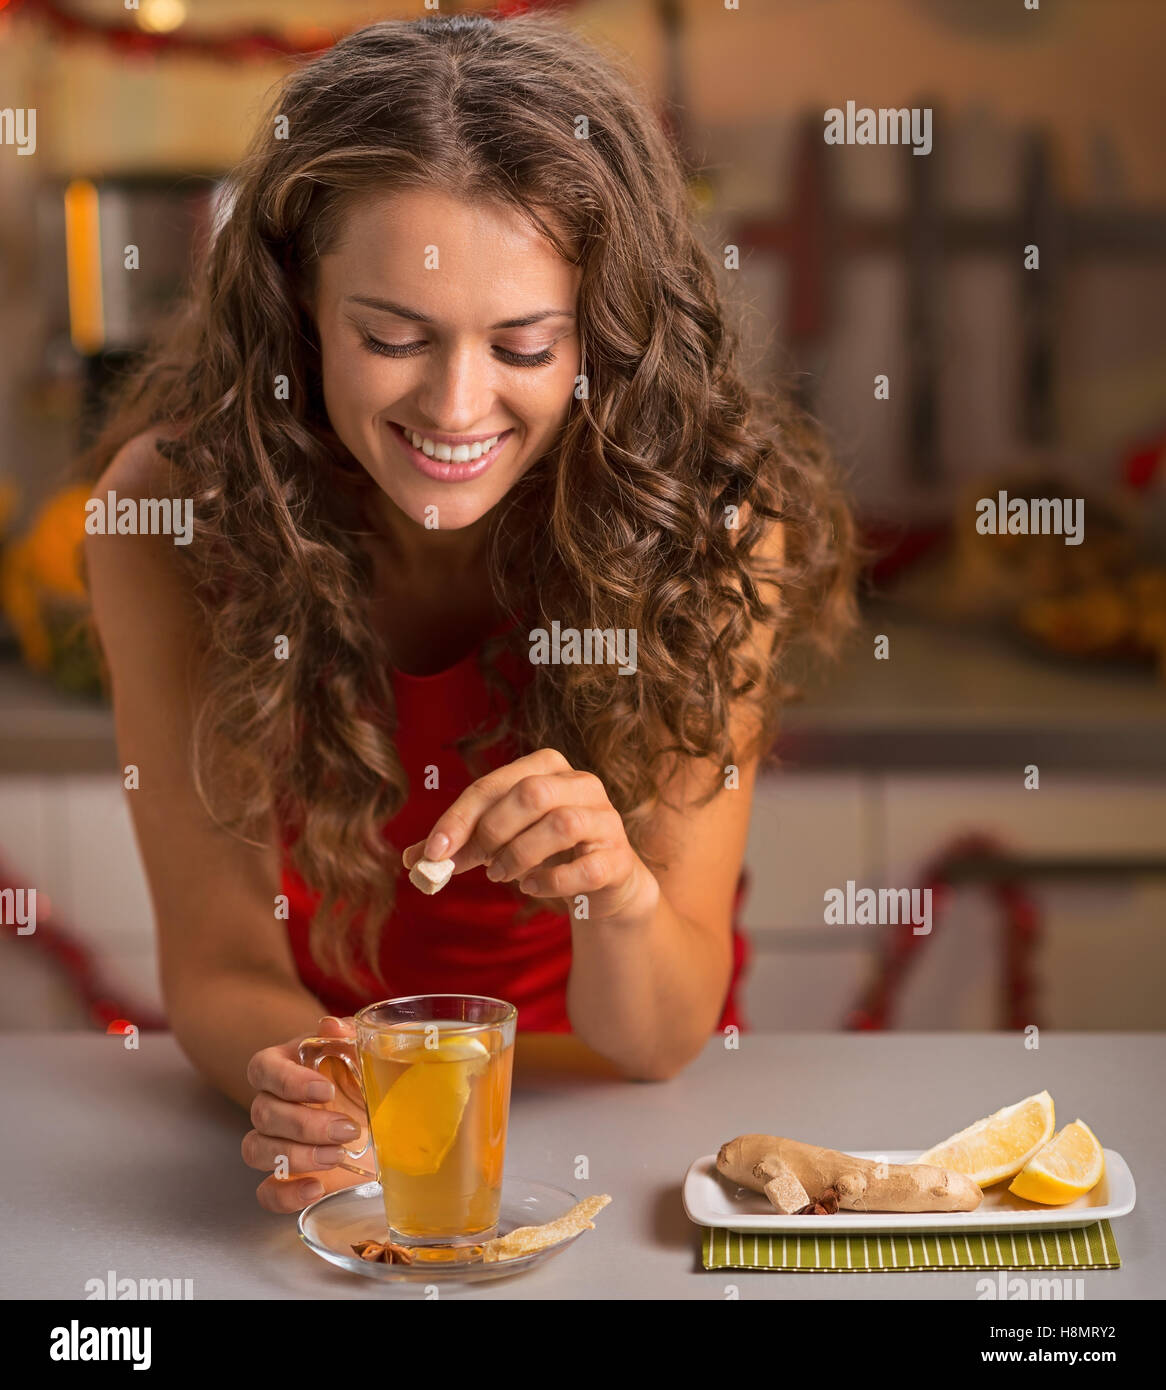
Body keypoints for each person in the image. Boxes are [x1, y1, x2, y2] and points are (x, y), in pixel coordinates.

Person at [81, 14, 855, 1215]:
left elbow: (655, 1039)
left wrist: (616, 891)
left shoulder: (709, 526)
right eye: (391, 337)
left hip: (632, 1127)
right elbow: (222, 963)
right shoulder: (169, 517)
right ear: (297, 311)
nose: (455, 405)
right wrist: (321, 1084)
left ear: (599, 333)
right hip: (353, 1124)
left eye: (524, 344)